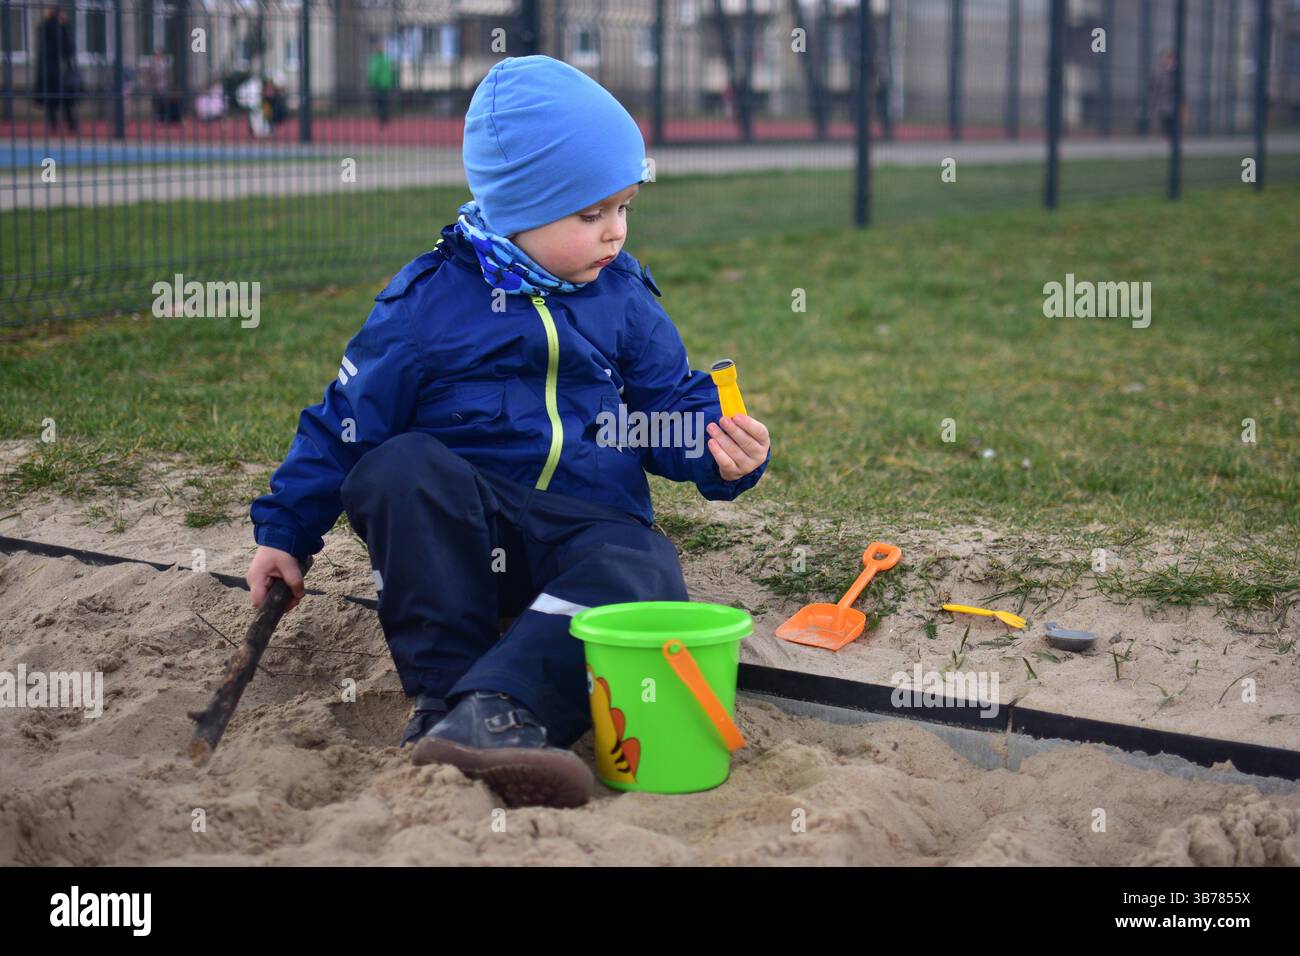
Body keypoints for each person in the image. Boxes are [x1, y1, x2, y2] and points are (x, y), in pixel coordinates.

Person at [245, 56, 772, 809]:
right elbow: (344, 423)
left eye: (624, 208)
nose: (615, 233)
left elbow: (667, 405)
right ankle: (445, 695)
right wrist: (285, 533)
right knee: (398, 469)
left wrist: (719, 451)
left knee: (647, 568)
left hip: (585, 531)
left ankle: (494, 708)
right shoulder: (426, 302)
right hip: (465, 536)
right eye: (590, 216)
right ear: (517, 207)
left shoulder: (620, 295)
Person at [34, 5, 77, 132]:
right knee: (65, 98)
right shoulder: (60, 27)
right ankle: (71, 124)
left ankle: (53, 124)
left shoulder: (43, 26)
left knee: (51, 98)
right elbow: (68, 48)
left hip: (47, 68)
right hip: (59, 68)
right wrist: (65, 25)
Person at [367, 40, 394, 126]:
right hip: (386, 83)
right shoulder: (385, 58)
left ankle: (382, 119)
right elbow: (390, 71)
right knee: (384, 102)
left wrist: (371, 82)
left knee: (380, 102)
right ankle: (385, 118)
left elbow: (374, 72)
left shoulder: (376, 59)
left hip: (379, 84)